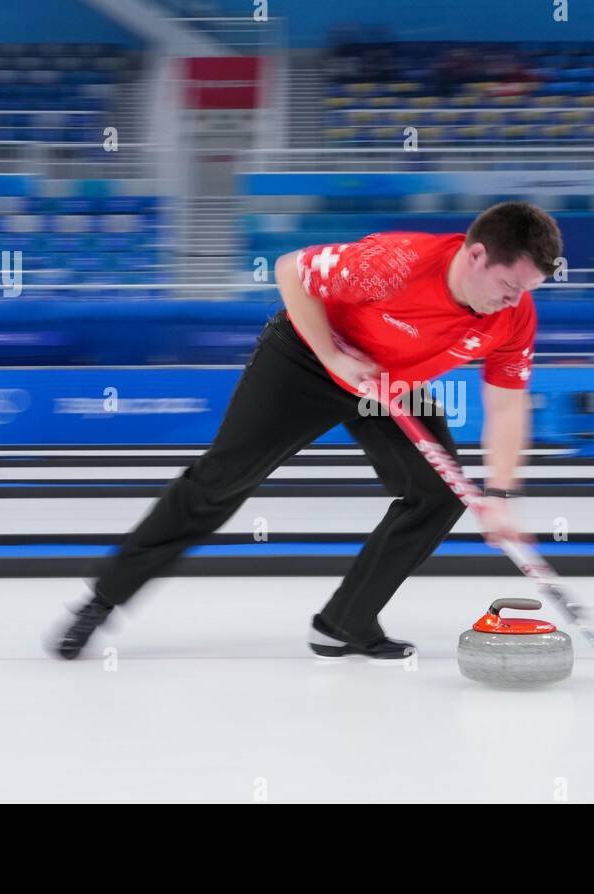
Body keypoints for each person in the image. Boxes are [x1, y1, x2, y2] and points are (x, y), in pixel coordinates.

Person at [53, 201, 561, 661]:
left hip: (390, 385)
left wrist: (500, 493)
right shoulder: (395, 263)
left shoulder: (515, 318)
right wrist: (334, 356)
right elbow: (290, 270)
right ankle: (102, 599)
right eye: (509, 286)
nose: (514, 301)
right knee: (219, 482)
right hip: (308, 359)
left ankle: (344, 623)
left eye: (526, 291)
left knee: (439, 494)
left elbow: (506, 403)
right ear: (476, 257)